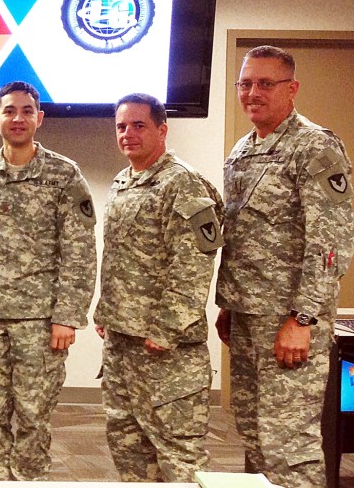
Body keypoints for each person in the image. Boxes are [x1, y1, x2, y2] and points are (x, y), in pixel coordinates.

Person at [215, 45, 354, 488]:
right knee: (255, 436)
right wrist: (230, 305)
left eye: (265, 83)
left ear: (291, 89)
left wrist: (303, 318)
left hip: (290, 322)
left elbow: (331, 243)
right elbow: (241, 236)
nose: (253, 92)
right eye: (245, 83)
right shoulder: (243, 150)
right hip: (248, 319)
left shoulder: (315, 146)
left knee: (289, 447)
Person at [0, 80, 97, 481]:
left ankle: (29, 483)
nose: (18, 118)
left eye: (27, 111)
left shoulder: (63, 174)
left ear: (40, 118)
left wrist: (67, 316)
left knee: (33, 416)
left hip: (38, 320)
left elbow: (80, 250)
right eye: (10, 111)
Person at [93, 93, 221, 482]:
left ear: (162, 130)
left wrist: (166, 329)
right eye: (121, 126)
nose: (128, 134)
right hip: (123, 342)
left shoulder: (181, 183)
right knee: (129, 448)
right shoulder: (123, 182)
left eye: (139, 125)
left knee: (178, 455)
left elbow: (194, 264)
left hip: (167, 352)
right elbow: (120, 255)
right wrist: (105, 310)